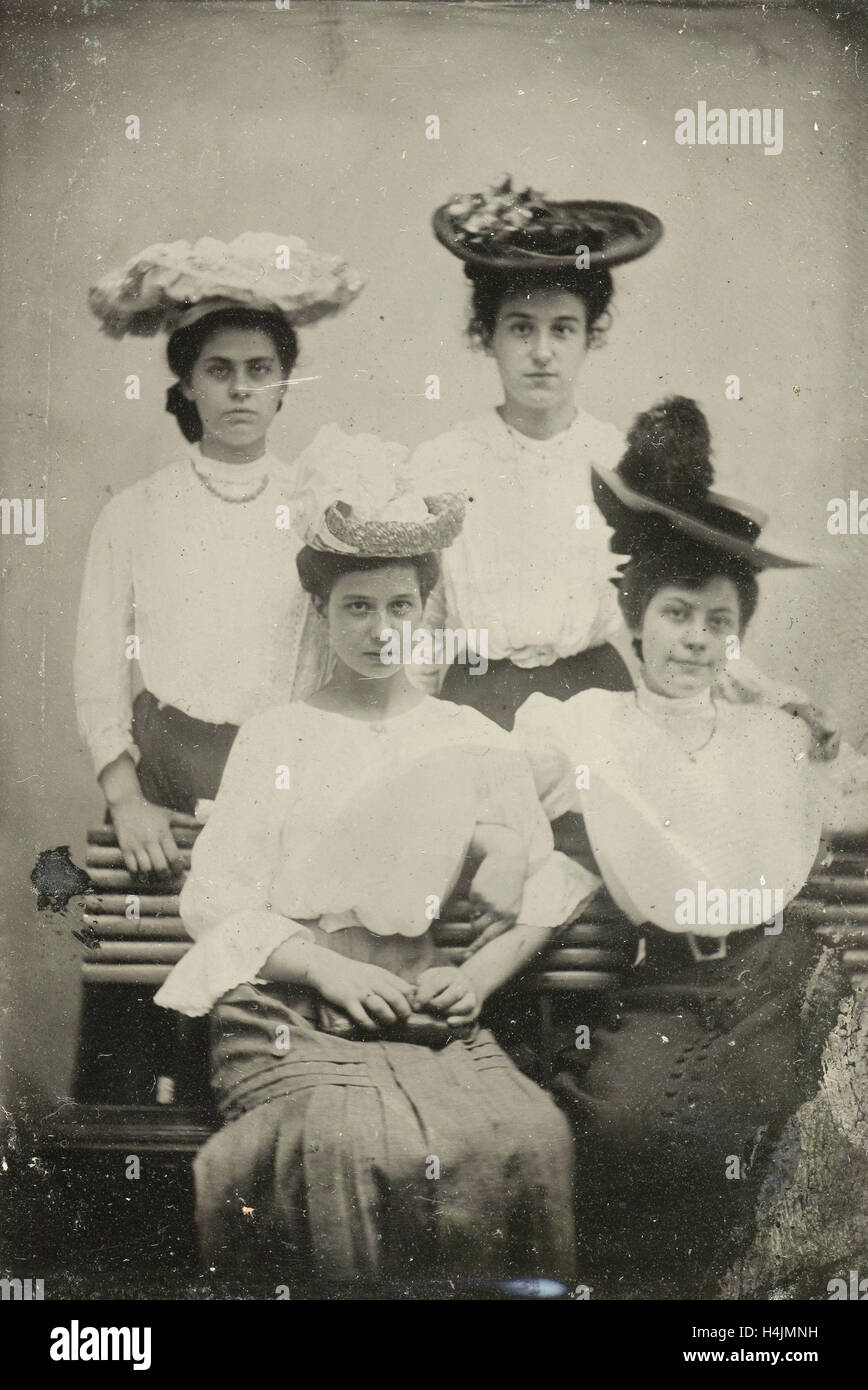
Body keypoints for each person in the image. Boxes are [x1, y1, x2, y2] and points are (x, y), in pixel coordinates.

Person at [153, 430, 596, 1288]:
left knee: (533, 1133)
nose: (381, 629)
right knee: (349, 1143)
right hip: (290, 1010)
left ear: (426, 608)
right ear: (322, 612)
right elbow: (216, 899)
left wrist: (482, 978)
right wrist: (327, 972)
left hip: (422, 1011)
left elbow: (547, 874)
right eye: (357, 606)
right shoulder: (277, 737)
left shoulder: (468, 737)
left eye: (400, 606)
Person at [513, 396, 857, 1296]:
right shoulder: (587, 724)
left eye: (716, 622)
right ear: (636, 620)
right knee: (626, 1126)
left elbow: (843, 806)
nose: (696, 640)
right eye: (677, 615)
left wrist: (818, 747)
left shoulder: (766, 734)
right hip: (659, 977)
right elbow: (516, 808)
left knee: (794, 1130)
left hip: (772, 978)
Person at [412, 176, 839, 749]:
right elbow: (425, 623)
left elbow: (687, 602)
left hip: (597, 706)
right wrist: (400, 736)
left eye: (563, 329)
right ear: (488, 336)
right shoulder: (443, 463)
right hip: (475, 706)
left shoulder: (620, 465)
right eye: (520, 328)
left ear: (591, 336)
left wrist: (777, 699)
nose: (542, 352)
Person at [75, 233, 363, 877]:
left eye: (259, 370)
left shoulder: (321, 507)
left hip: (295, 786)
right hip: (166, 791)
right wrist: (126, 800)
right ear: (189, 384)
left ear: (282, 384)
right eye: (219, 370)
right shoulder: (135, 513)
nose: (240, 389)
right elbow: (99, 671)